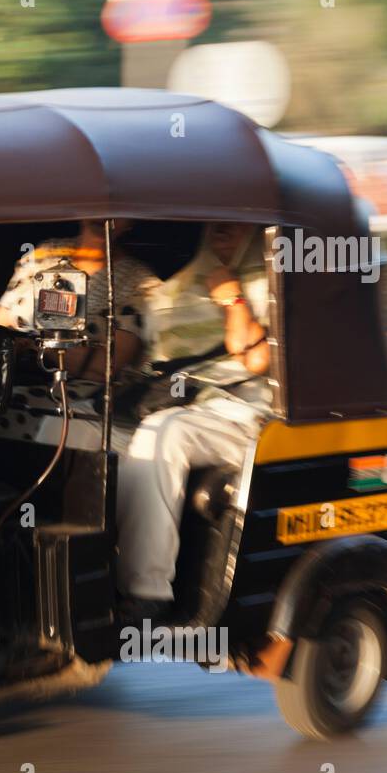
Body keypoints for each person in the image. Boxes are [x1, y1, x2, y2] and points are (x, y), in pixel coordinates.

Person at [115, 222, 272, 620]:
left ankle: (146, 591)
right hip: (194, 405)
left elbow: (254, 359)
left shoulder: (264, 282)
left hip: (246, 414)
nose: (224, 230)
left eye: (235, 224)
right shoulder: (185, 283)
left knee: (163, 435)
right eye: (216, 222)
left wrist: (231, 296)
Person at [0, 218, 154, 452]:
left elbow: (107, 367)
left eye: (115, 211)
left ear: (129, 222)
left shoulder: (139, 281)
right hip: (10, 373)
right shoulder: (44, 255)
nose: (103, 217)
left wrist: (42, 348)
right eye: (96, 206)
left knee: (12, 409)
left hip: (79, 391)